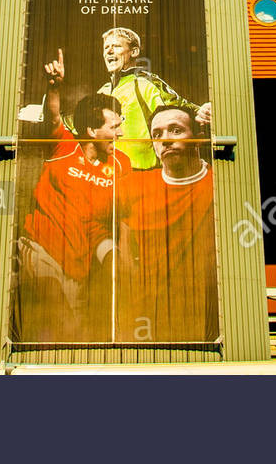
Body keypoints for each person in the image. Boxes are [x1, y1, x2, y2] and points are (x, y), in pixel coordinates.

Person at [13, 93, 129, 342]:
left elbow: (122, 218)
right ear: (91, 130)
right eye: (114, 127)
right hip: (41, 248)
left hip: (79, 267)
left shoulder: (121, 164)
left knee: (72, 335)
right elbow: (53, 116)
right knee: (55, 307)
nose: (120, 134)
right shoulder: (65, 146)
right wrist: (54, 87)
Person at [113, 105, 219, 343]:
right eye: (157, 134)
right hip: (146, 319)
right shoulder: (134, 186)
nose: (166, 140)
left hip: (206, 318)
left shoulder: (220, 184)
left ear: (198, 139)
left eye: (176, 130)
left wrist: (225, 116)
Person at [42, 27, 212, 170]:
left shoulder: (145, 82)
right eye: (106, 47)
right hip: (111, 176)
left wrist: (201, 112)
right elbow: (79, 124)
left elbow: (181, 109)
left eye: (115, 46)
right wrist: (46, 108)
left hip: (143, 175)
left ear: (134, 52)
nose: (108, 51)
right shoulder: (104, 90)